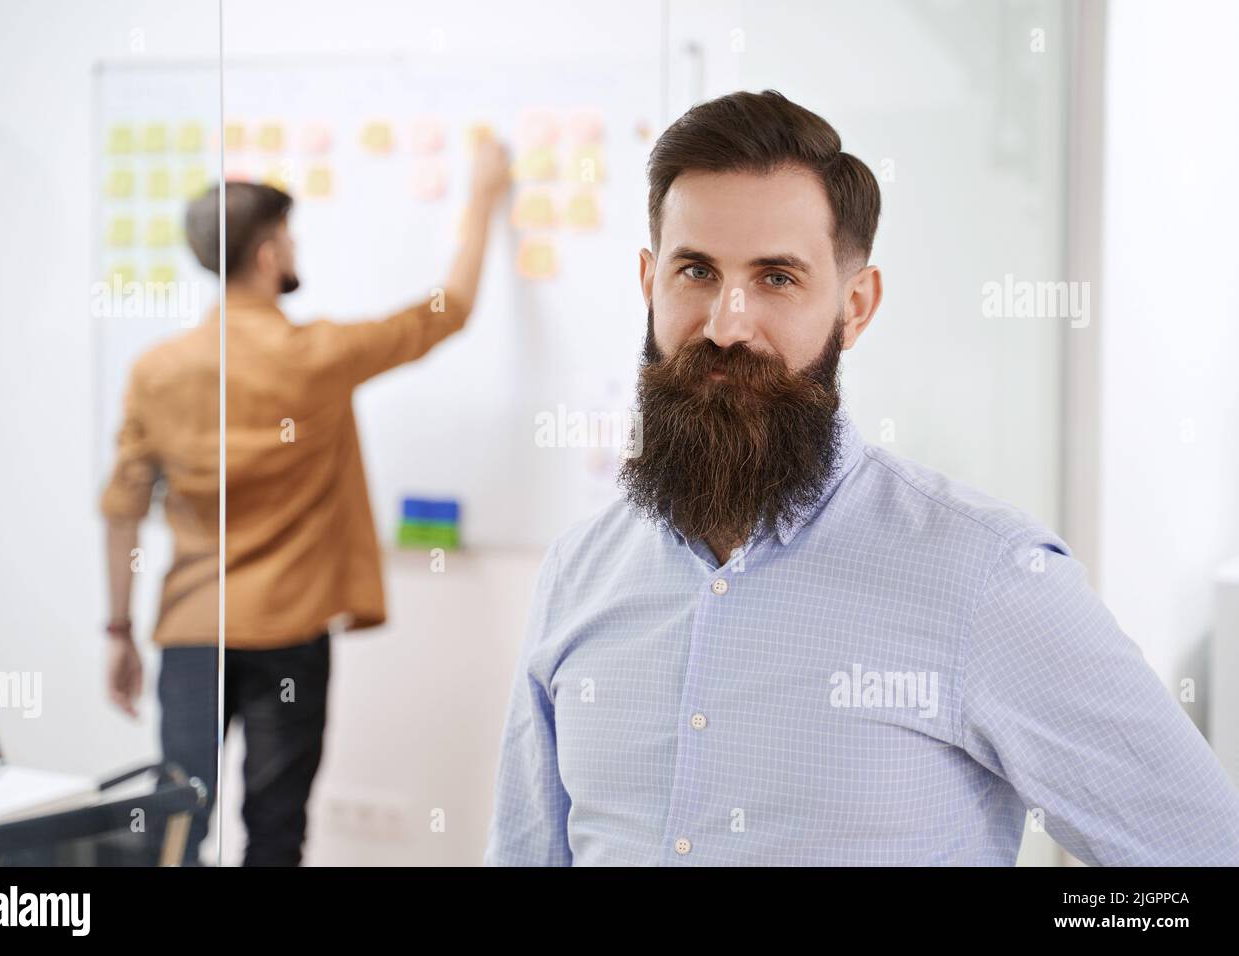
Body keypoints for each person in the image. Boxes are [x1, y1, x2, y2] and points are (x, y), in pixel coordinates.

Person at [483, 90, 1239, 866]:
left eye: (777, 278)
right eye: (697, 271)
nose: (726, 323)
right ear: (650, 283)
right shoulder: (578, 576)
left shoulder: (989, 581)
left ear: (856, 306)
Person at [100, 139, 511, 865]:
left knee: (175, 822)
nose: (295, 250)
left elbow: (122, 508)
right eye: (289, 236)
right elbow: (450, 310)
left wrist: (118, 629)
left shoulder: (155, 372)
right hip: (290, 629)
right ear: (266, 254)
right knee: (277, 826)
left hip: (193, 628)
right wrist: (481, 198)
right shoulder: (317, 356)